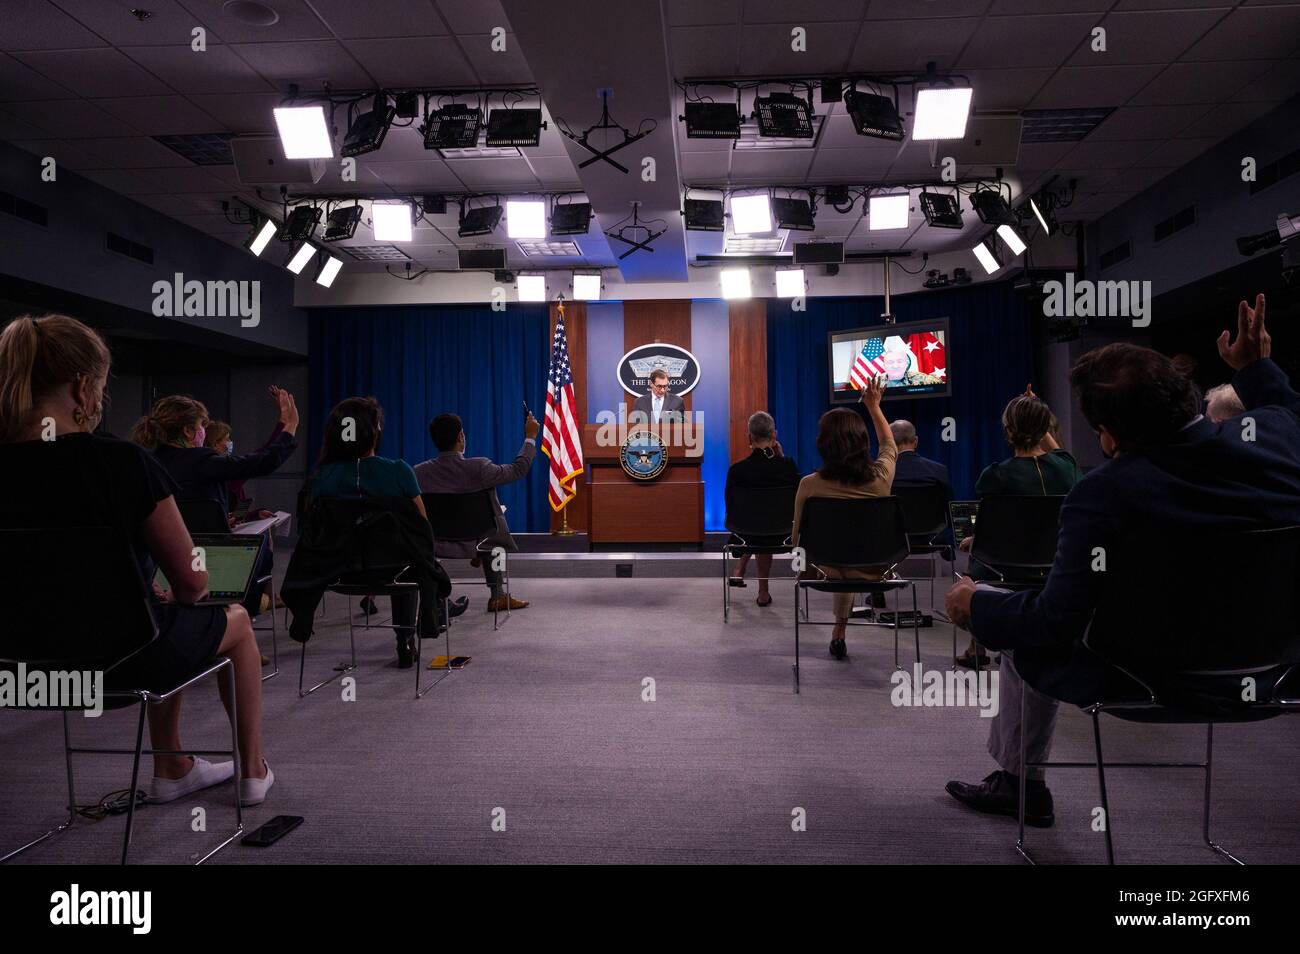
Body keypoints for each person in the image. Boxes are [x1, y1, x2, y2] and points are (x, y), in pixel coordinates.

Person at [942, 293, 1300, 828]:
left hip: (1142, 675)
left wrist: (977, 606)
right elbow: (1284, 412)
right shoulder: (1276, 446)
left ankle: (1022, 786)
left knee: (1014, 626)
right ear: (1185, 395)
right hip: (1278, 671)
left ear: (1108, 436)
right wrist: (1255, 366)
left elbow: (1052, 622)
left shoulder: (1103, 494)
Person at [0, 314, 272, 805]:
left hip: (18, 673)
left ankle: (176, 765)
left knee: (164, 615)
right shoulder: (121, 462)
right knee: (233, 620)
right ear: (82, 389)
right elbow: (193, 584)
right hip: (123, 662)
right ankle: (244, 770)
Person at [303, 397, 458, 668]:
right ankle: (405, 640)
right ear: (375, 430)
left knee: (405, 554)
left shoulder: (320, 479)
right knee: (412, 556)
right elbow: (422, 528)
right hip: (392, 569)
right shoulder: (398, 471)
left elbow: (312, 530)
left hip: (336, 571)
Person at [131, 389, 298, 621]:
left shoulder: (147, 462)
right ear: (189, 431)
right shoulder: (202, 460)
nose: (203, 431)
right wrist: (289, 426)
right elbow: (261, 462)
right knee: (263, 550)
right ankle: (245, 613)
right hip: (211, 562)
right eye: (201, 425)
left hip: (160, 565)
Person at [954, 386, 1080, 669]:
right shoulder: (1067, 467)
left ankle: (978, 647)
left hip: (1005, 570)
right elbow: (1056, 453)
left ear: (1007, 430)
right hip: (1055, 567)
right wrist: (1036, 414)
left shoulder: (995, 475)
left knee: (971, 563)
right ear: (1046, 428)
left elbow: (998, 527)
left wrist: (977, 540)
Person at [791, 375, 896, 661]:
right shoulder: (880, 479)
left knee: (840, 553)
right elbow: (889, 446)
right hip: (874, 569)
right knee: (852, 550)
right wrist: (874, 407)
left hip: (822, 569)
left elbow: (796, 540)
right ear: (863, 442)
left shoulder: (809, 484)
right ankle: (839, 629)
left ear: (822, 444)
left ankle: (839, 630)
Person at [415, 411, 537, 613]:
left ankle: (437, 595)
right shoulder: (479, 468)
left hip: (436, 542)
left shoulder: (418, 472)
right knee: (496, 533)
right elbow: (519, 469)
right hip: (479, 539)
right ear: (461, 436)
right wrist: (530, 436)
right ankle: (497, 595)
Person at [724, 411, 800, 607]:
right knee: (767, 522)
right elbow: (798, 501)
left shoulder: (737, 470)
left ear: (750, 437)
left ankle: (747, 577)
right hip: (783, 534)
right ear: (774, 435)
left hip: (745, 534)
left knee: (758, 524)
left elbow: (730, 509)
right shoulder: (788, 466)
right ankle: (763, 591)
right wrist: (781, 458)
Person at [889, 419, 952, 496]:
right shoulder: (940, 471)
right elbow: (949, 506)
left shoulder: (883, 475)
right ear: (916, 441)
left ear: (889, 443)